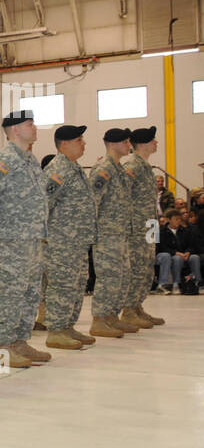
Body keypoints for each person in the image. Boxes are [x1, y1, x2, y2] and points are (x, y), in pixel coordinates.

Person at [0, 111, 49, 367]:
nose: (35, 127)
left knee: (29, 293)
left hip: (32, 240)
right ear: (15, 130)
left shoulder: (31, 161)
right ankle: (4, 349)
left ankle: (20, 342)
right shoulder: (2, 161)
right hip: (11, 240)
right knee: (9, 294)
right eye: (30, 124)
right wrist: (0, 227)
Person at [42, 125, 97, 349]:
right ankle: (55, 330)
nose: (84, 143)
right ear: (64, 144)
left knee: (76, 284)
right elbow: (43, 204)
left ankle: (67, 326)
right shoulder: (57, 170)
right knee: (62, 285)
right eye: (79, 140)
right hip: (61, 242)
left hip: (77, 241)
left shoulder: (73, 168)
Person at [89, 128, 137, 336]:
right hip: (107, 233)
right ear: (113, 144)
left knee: (121, 276)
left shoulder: (118, 168)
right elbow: (94, 201)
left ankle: (111, 316)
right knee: (108, 276)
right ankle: (98, 319)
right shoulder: (103, 168)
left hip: (120, 232)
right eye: (125, 142)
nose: (129, 146)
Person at [122, 127, 164, 327]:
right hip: (138, 225)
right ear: (143, 143)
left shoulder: (146, 166)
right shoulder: (132, 165)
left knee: (147, 267)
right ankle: (129, 310)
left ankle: (138, 306)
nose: (156, 142)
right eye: (153, 140)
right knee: (137, 266)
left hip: (151, 223)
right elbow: (122, 194)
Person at [156, 210, 202, 291]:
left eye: (179, 219)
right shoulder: (162, 232)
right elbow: (162, 247)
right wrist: (176, 253)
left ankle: (197, 282)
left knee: (195, 257)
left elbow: (191, 245)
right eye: (176, 219)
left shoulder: (185, 231)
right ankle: (176, 283)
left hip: (185, 254)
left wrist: (188, 252)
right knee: (177, 258)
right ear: (169, 220)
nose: (178, 221)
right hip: (172, 255)